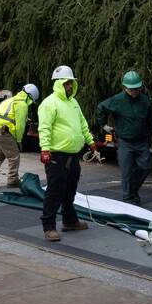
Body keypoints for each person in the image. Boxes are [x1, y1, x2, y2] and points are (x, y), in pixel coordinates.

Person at [37, 65, 100, 242]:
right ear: (58, 84)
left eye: (71, 83)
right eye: (66, 84)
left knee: (70, 189)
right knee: (55, 191)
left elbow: (82, 123)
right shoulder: (49, 104)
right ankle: (49, 227)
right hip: (56, 155)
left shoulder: (73, 103)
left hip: (72, 155)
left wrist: (91, 142)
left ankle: (69, 220)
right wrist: (45, 149)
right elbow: (45, 128)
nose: (70, 87)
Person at [95, 70, 152, 205]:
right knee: (126, 171)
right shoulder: (118, 100)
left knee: (146, 166)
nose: (135, 91)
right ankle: (127, 199)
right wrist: (104, 125)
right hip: (125, 141)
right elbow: (101, 107)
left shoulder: (145, 101)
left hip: (141, 141)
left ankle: (132, 191)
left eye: (137, 89)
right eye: (131, 89)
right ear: (125, 88)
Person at [0, 84, 39, 188]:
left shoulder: (10, 100)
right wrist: (19, 141)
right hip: (2, 130)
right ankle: (13, 180)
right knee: (14, 156)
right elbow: (20, 126)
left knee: (1, 152)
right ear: (30, 96)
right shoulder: (22, 104)